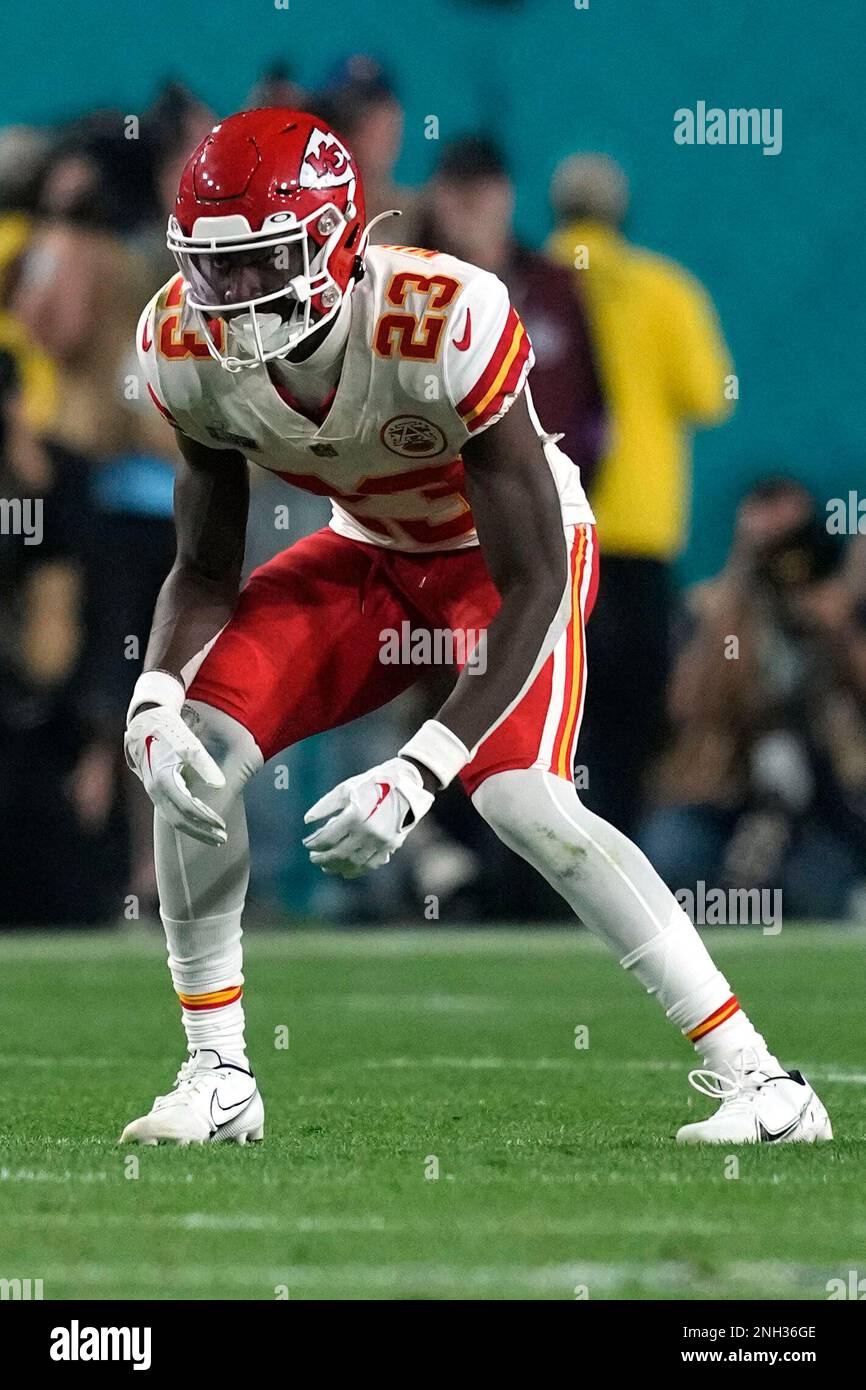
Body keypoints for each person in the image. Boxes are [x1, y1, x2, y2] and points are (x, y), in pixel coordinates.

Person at [120, 108, 830, 1148]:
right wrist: (152, 696)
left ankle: (764, 1083)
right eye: (209, 268)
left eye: (256, 263)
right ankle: (218, 1075)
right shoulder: (183, 343)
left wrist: (415, 774)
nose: (224, 298)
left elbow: (534, 574)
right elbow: (205, 564)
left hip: (506, 563)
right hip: (366, 552)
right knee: (194, 760)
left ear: (329, 241)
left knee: (524, 801)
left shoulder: (438, 314)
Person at [547, 155, 734, 836]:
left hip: (547, 526)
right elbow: (709, 397)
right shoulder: (666, 290)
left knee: (550, 707)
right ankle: (616, 851)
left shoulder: (529, 283)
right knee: (631, 711)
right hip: (642, 532)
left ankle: (529, 871)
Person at [641, 478, 866, 918]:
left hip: (818, 806)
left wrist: (839, 626)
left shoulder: (837, 615)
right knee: (672, 868)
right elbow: (687, 706)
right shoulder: (713, 608)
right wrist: (741, 579)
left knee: (814, 895)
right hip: (719, 791)